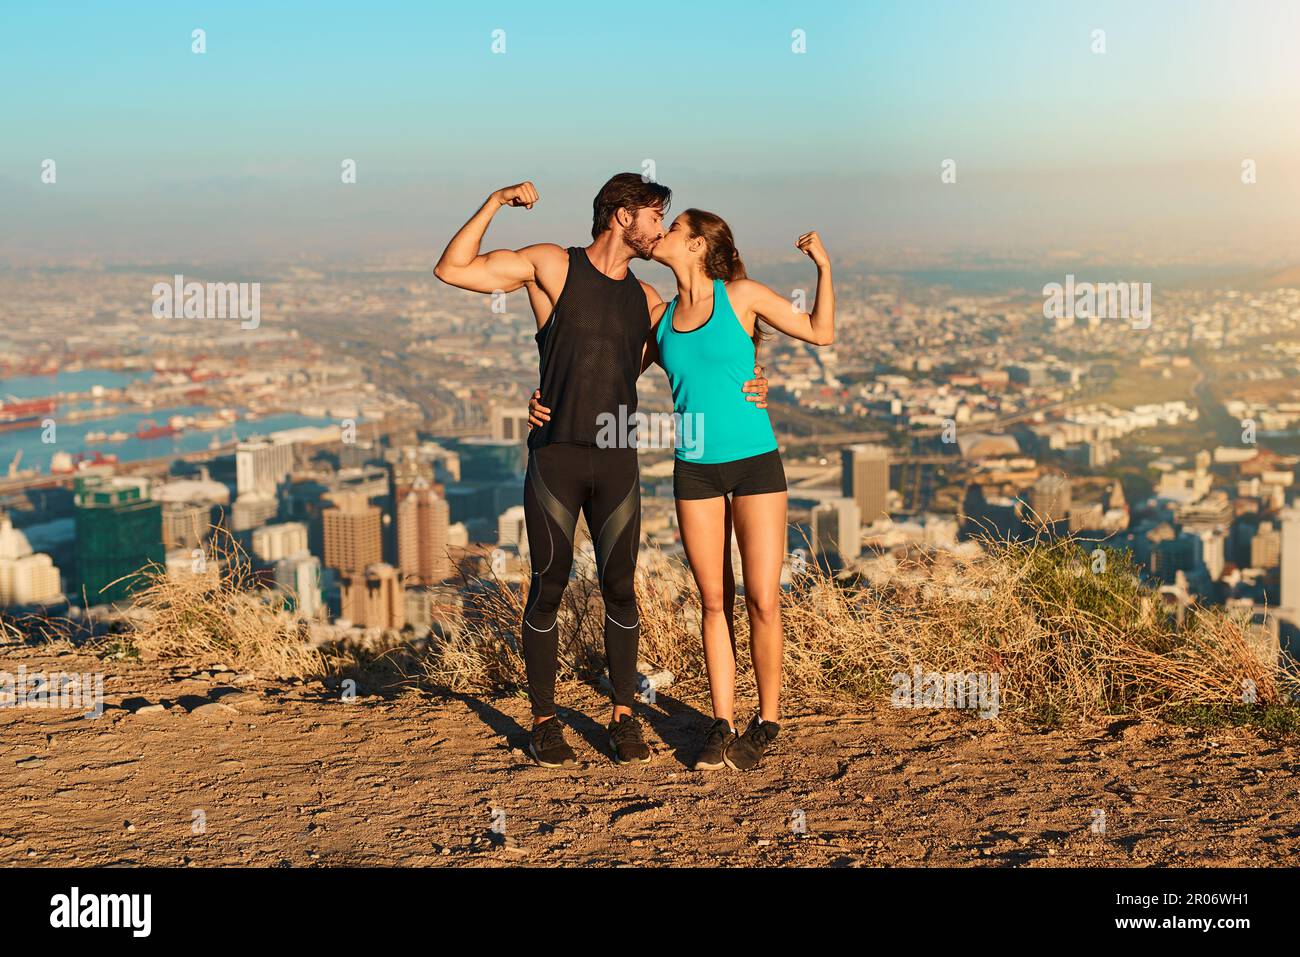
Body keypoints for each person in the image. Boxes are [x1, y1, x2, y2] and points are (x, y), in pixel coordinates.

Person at [434, 175, 769, 768]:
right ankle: (543, 720)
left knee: (621, 589)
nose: (660, 228)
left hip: (617, 456)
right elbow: (452, 270)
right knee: (549, 586)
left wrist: (755, 381)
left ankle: (622, 715)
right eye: (654, 215)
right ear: (621, 215)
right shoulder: (551, 266)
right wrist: (495, 202)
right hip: (556, 454)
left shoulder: (647, 303)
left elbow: (712, 345)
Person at [532, 208, 834, 771]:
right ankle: (721, 723)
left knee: (763, 599)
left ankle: (768, 722)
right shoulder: (662, 318)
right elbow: (602, 368)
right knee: (713, 601)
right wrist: (545, 401)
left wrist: (822, 266)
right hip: (693, 469)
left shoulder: (741, 296)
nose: (660, 234)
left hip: (755, 463)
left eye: (673, 230)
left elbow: (822, 331)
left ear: (696, 246)